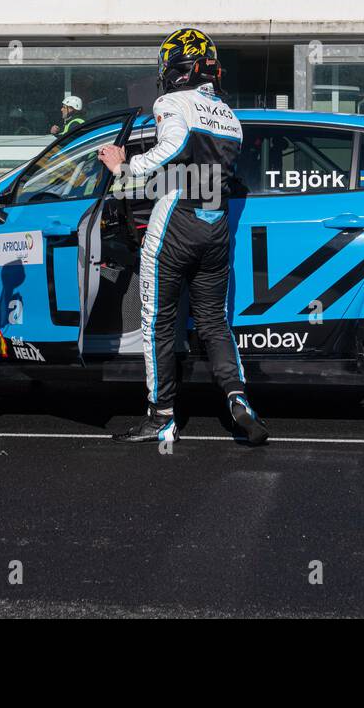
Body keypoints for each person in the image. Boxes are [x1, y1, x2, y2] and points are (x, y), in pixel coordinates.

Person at [96, 28, 267, 446]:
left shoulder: (172, 102)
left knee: (157, 322)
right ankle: (239, 400)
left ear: (176, 69)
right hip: (216, 226)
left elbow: (172, 147)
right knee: (214, 322)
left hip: (175, 223)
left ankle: (161, 416)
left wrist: (124, 166)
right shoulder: (228, 115)